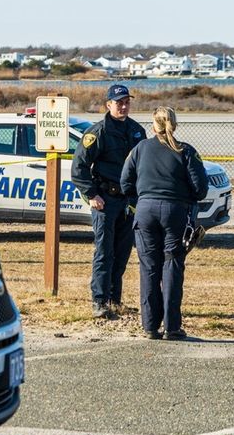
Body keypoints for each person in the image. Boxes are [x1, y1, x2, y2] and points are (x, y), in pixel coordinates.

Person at [120, 106, 209, 341]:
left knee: (149, 267)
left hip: (146, 210)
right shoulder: (186, 151)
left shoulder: (140, 149)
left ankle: (150, 326)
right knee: (172, 266)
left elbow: (125, 182)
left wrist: (140, 198)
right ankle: (172, 326)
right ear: (174, 125)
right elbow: (200, 189)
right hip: (175, 212)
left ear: (153, 125)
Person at [71, 83, 148, 319]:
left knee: (122, 252)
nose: (123, 106)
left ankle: (115, 300)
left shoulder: (136, 131)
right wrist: (91, 194)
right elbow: (79, 168)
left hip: (129, 202)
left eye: (126, 102)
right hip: (105, 200)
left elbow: (142, 167)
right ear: (108, 104)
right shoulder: (98, 132)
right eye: (119, 102)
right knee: (104, 253)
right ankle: (100, 301)